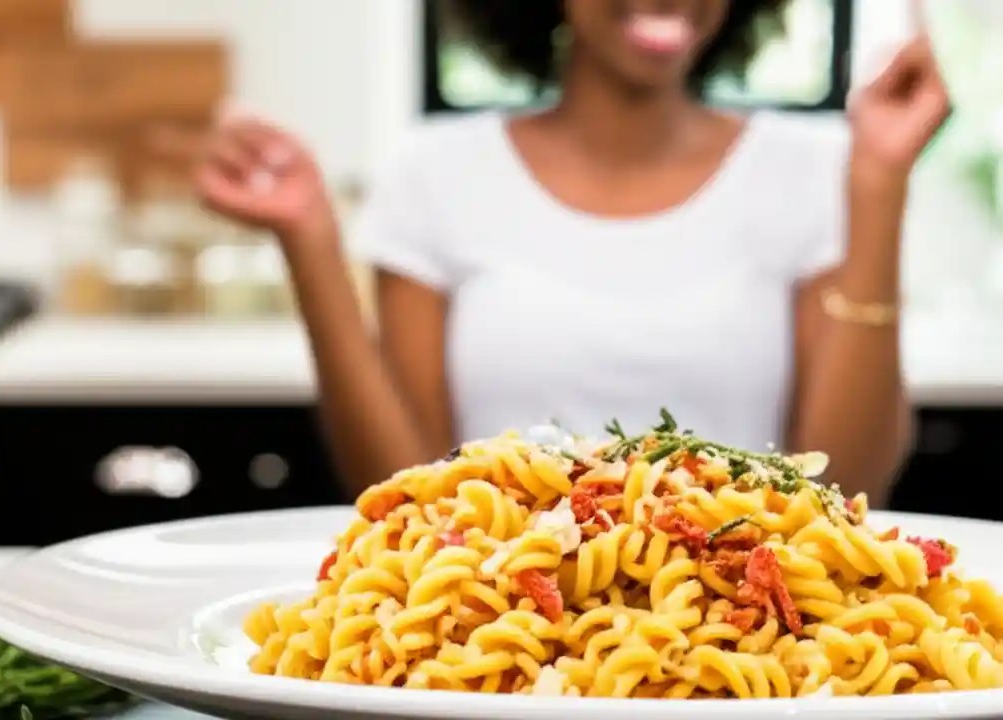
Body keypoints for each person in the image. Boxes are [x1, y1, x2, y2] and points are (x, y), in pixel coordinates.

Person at [193, 0, 950, 500]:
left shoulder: (814, 170)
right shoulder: (433, 174)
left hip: (747, 648)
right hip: (496, 648)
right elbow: (400, 493)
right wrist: (310, 239)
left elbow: (849, 487)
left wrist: (880, 184)